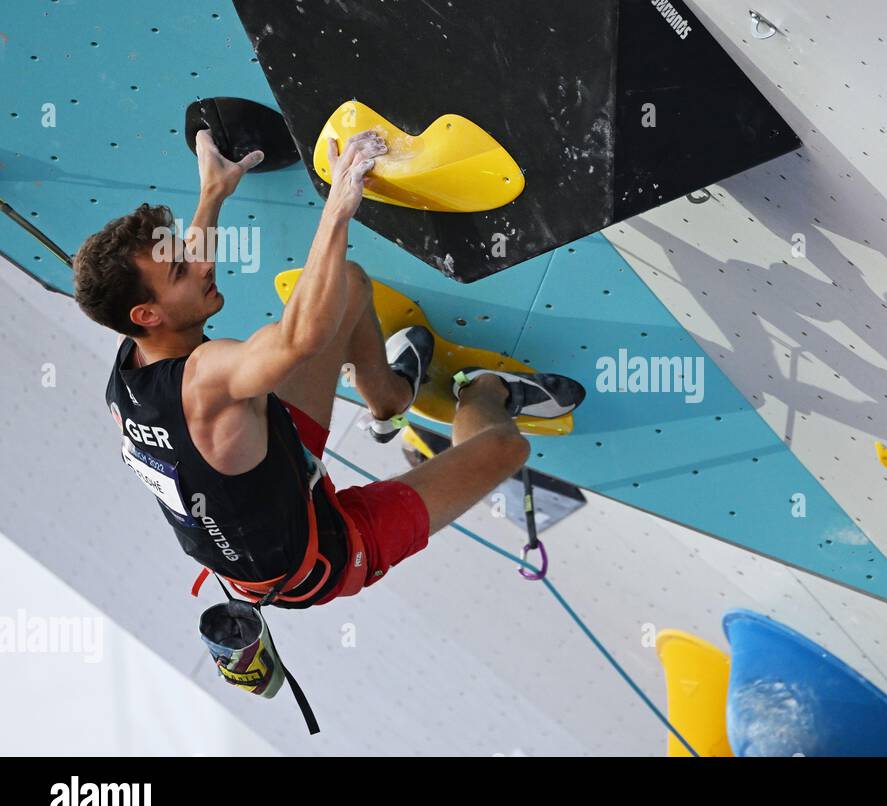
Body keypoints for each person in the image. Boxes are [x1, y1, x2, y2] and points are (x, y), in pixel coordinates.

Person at [72, 128, 585, 607]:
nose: (203, 264)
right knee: (505, 448)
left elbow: (187, 294)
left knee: (345, 285)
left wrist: (213, 194)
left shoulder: (135, 349)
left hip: (273, 458)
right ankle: (481, 391)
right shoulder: (203, 377)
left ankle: (389, 402)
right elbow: (299, 338)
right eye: (183, 271)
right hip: (327, 551)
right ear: (148, 315)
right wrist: (338, 205)